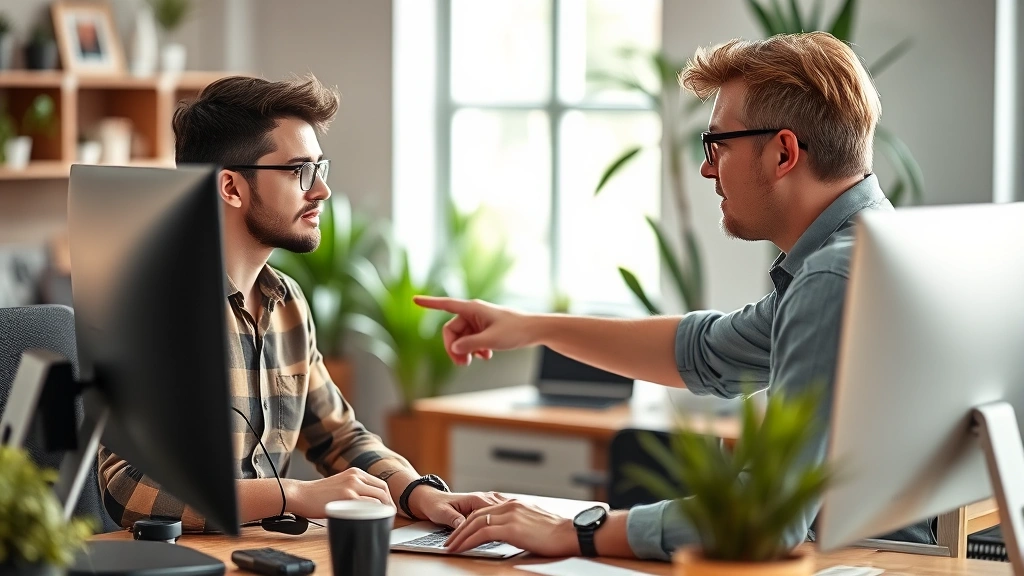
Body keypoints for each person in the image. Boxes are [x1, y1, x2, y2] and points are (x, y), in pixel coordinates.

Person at [417, 32, 917, 560]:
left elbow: (764, 517)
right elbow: (704, 353)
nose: (707, 168)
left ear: (783, 152)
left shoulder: (830, 280)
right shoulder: (873, 247)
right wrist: (533, 327)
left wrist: (575, 530)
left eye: (718, 144)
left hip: (857, 559)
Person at [97, 74, 503, 532]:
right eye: (298, 171)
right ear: (231, 188)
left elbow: (340, 437)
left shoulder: (287, 303)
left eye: (319, 168)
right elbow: (128, 488)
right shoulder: (153, 306)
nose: (321, 191)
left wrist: (418, 492)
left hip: (264, 555)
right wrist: (295, 494)